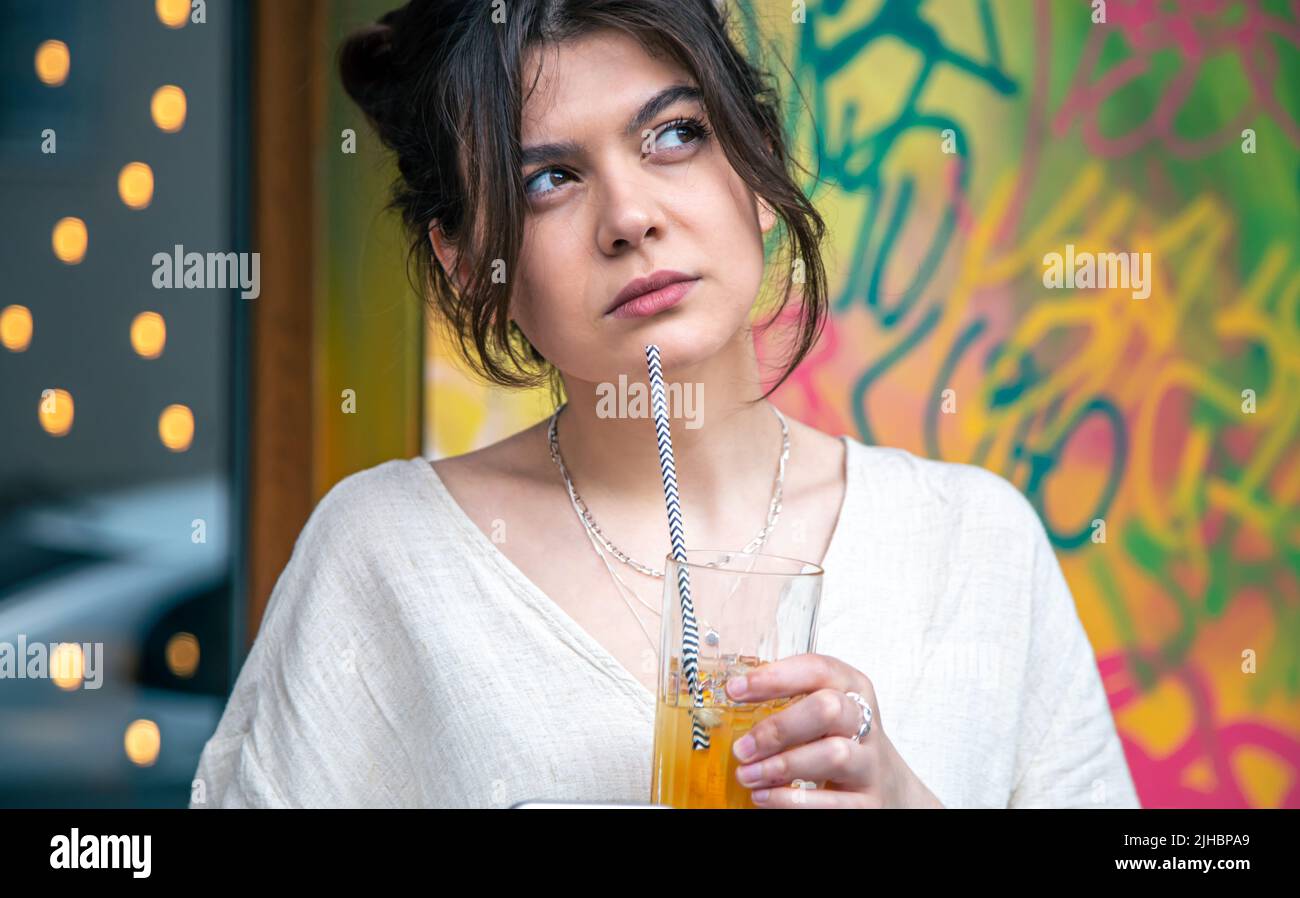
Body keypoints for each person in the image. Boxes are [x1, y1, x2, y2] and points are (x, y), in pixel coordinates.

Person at [189, 0, 1140, 809]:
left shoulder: (975, 544)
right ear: (468, 259)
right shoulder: (385, 553)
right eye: (549, 179)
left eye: (675, 134)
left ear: (760, 165)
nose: (630, 216)